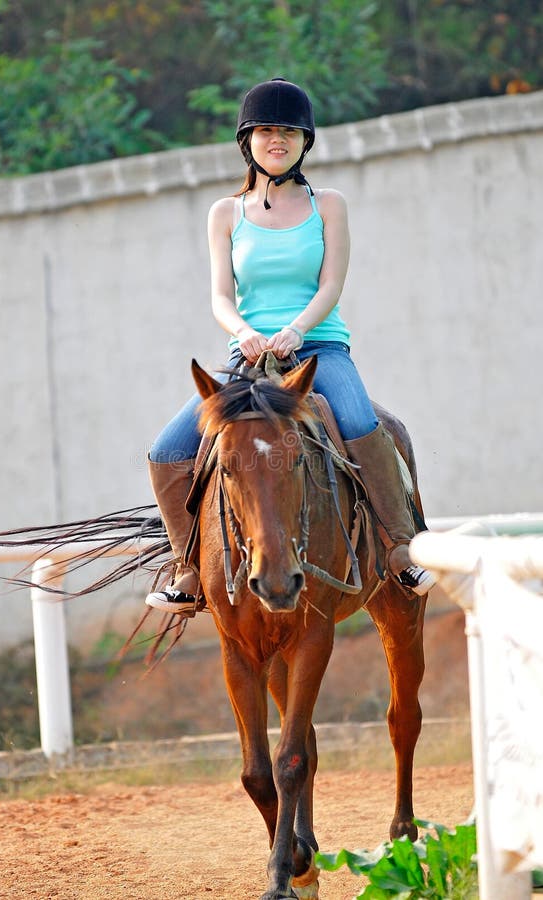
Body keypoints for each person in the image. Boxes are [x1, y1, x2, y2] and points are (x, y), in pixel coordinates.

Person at [146, 77, 435, 614]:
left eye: (289, 132)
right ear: (247, 141)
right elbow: (220, 297)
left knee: (360, 423)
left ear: (305, 142)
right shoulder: (225, 213)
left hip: (319, 348)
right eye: (266, 131)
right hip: (249, 357)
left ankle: (400, 548)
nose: (277, 140)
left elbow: (331, 285)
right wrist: (244, 333)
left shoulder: (329, 205)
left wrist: (298, 329)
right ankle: (188, 568)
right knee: (167, 449)